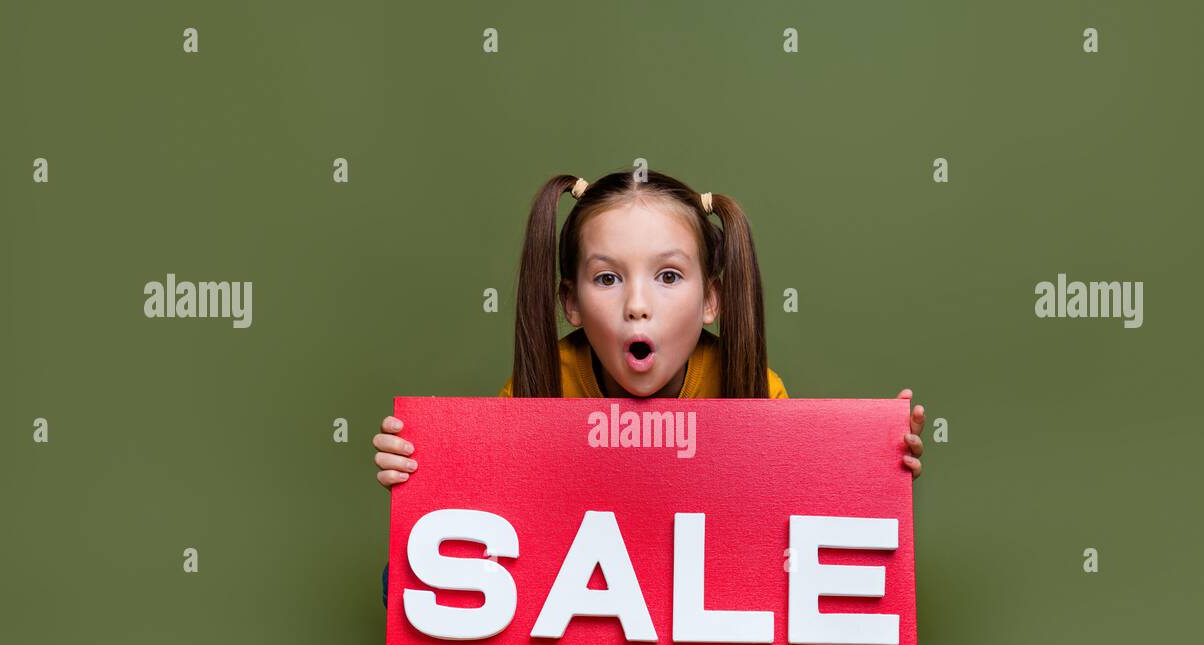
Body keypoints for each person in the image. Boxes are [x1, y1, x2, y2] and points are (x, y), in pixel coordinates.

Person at [374, 170, 925, 606]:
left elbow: (797, 522)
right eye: (608, 278)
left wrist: (874, 464)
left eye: (667, 276)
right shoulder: (541, 388)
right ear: (571, 303)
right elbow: (484, 518)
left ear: (711, 299)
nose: (637, 304)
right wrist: (421, 475)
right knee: (395, 581)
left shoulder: (751, 388)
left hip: (692, 589)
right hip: (585, 592)